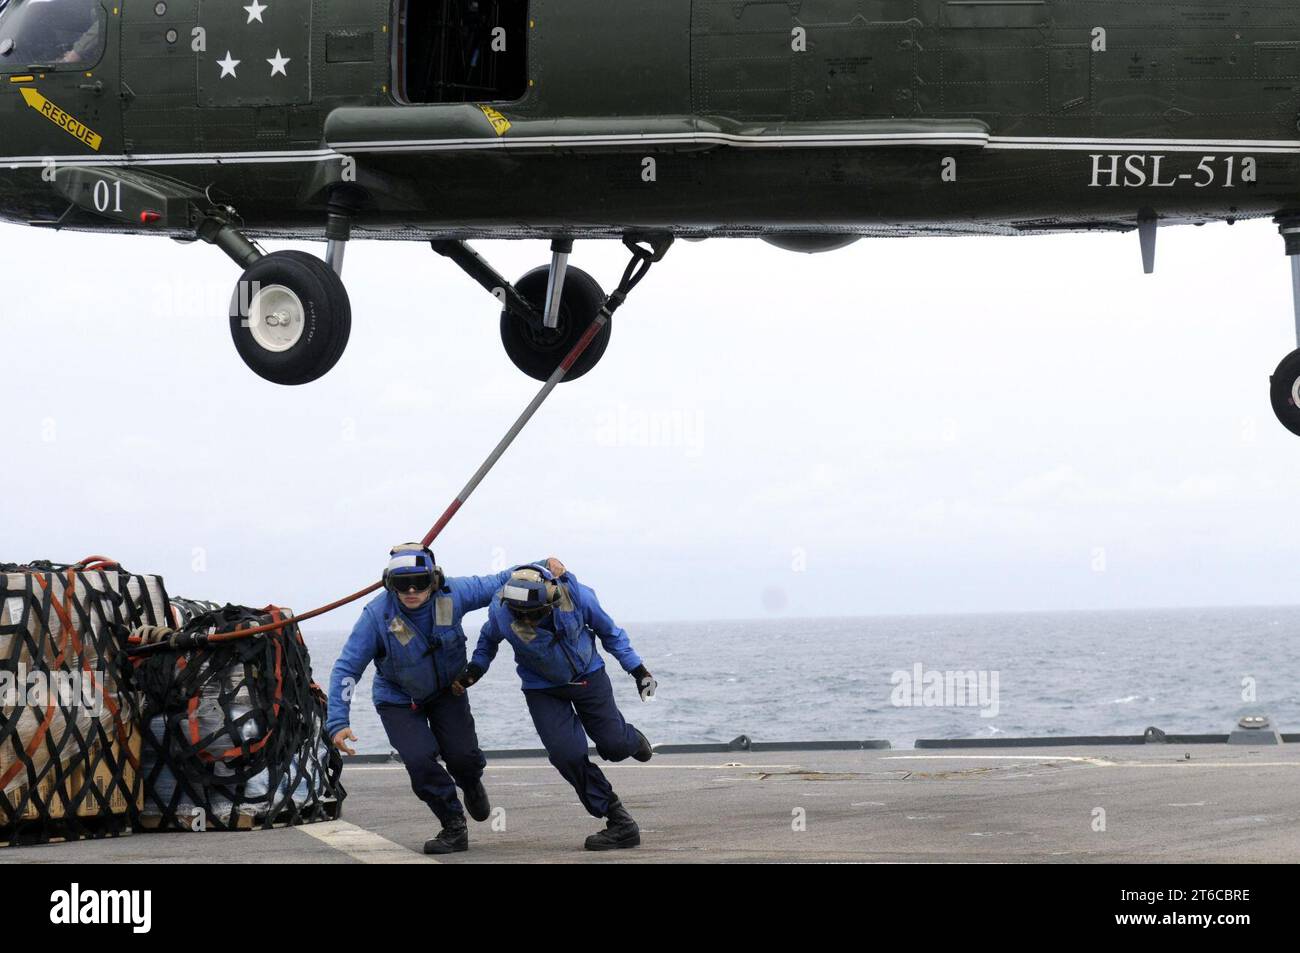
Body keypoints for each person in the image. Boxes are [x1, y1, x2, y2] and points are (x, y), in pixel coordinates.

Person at [326, 544, 562, 855]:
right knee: (420, 761)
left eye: (420, 582)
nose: (411, 591)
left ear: (435, 579)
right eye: (401, 584)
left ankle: (471, 782)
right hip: (398, 699)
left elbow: (500, 580)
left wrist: (542, 565)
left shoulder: (456, 593)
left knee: (463, 757)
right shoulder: (376, 616)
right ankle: (453, 824)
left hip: (447, 692)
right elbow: (347, 667)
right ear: (389, 583)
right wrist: (338, 721)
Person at [454, 564, 658, 851]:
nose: (527, 620)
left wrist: (639, 671)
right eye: (520, 614)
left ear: (551, 599)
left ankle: (630, 739)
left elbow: (610, 632)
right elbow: (488, 640)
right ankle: (619, 821)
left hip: (588, 677)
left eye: (534, 613)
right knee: (566, 756)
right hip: (542, 689)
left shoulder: (578, 597)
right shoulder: (501, 610)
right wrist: (476, 668)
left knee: (613, 745)